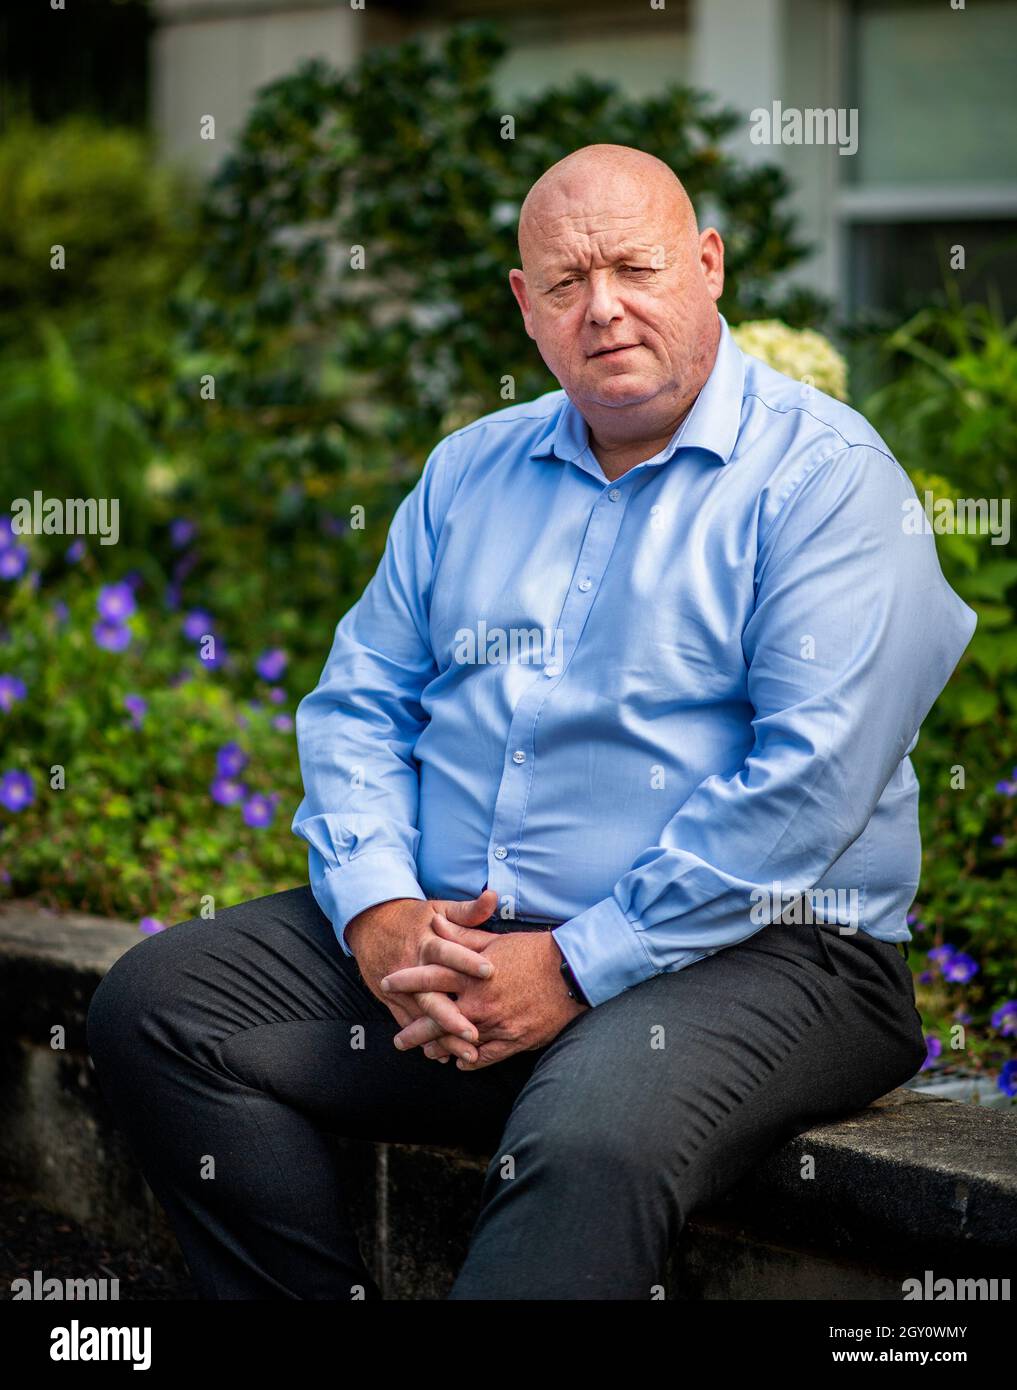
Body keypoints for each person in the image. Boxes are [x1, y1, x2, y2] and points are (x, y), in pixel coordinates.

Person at [86, 143, 976, 1300]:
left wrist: (570, 963)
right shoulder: (469, 474)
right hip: (462, 949)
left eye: (636, 268)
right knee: (158, 1009)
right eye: (564, 282)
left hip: (771, 953)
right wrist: (385, 912)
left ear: (708, 266)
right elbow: (358, 701)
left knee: (586, 1139)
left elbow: (807, 787)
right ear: (527, 307)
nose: (602, 308)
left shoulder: (827, 481)